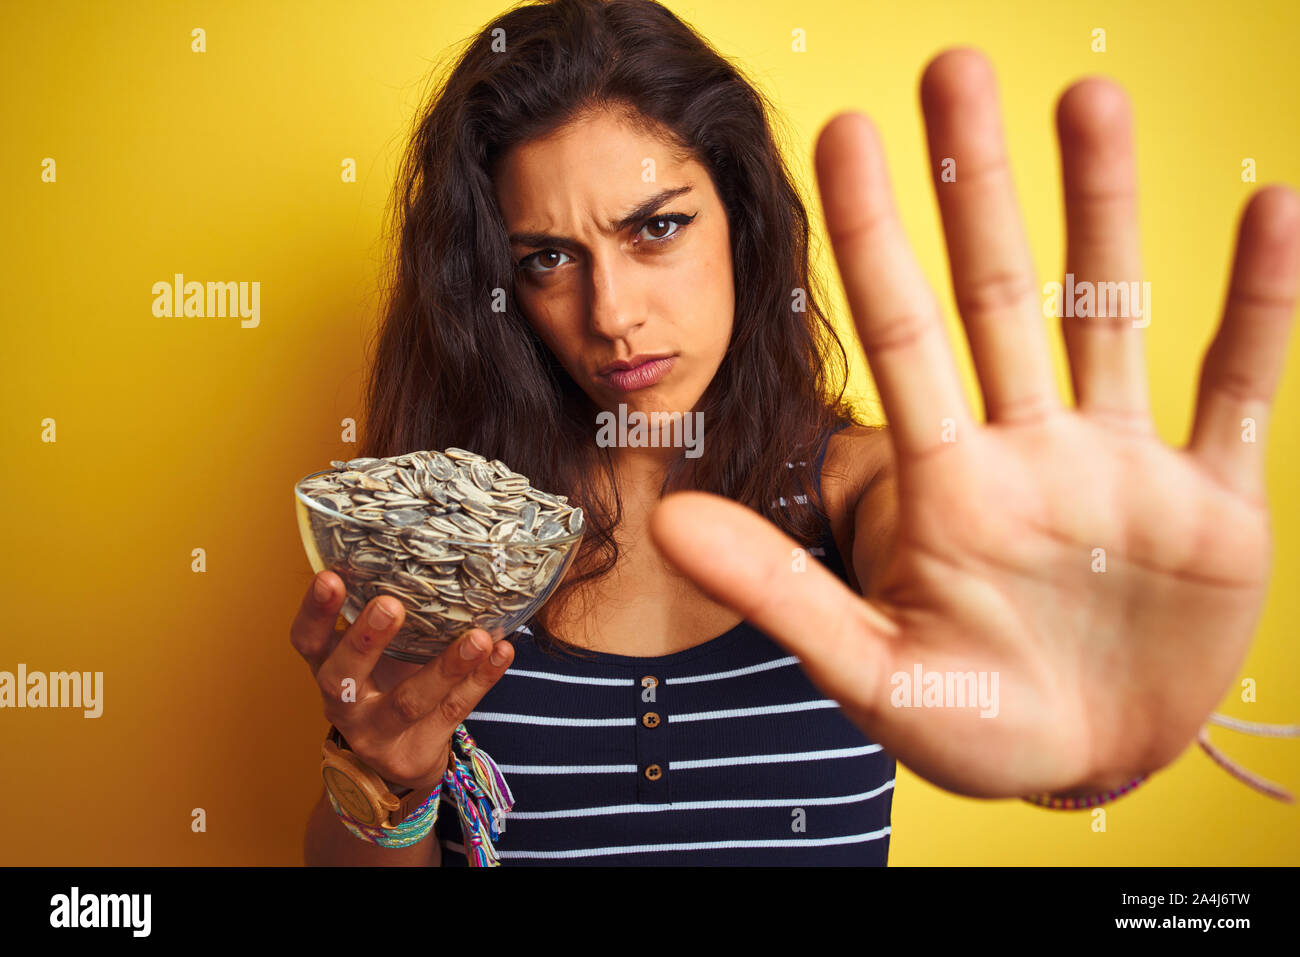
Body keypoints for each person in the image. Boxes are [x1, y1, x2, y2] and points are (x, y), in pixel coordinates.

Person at [296, 0, 1300, 866]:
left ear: (739, 215)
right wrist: (389, 783)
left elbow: (925, 544)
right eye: (550, 257)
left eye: (656, 228)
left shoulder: (859, 489)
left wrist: (1063, 699)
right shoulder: (446, 539)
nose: (612, 313)